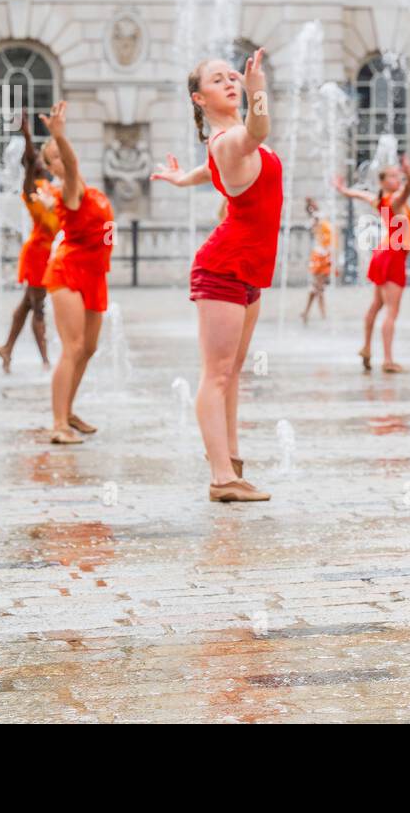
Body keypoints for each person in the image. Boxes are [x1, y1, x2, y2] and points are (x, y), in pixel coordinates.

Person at [152, 49, 280, 503]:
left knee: (233, 372)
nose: (229, 83)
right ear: (199, 98)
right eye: (218, 80)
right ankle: (221, 478)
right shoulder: (235, 139)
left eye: (233, 77)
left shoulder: (232, 144)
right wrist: (256, 86)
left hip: (248, 271)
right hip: (223, 267)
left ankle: (233, 463)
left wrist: (179, 179)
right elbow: (258, 128)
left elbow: (209, 172)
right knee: (217, 373)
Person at [39, 100, 114, 445]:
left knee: (89, 347)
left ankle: (67, 410)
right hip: (68, 272)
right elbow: (70, 163)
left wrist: (59, 139)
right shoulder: (70, 192)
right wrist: (59, 136)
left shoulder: (91, 191)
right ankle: (58, 424)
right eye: (55, 155)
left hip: (94, 276)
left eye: (63, 151)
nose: (63, 157)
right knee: (72, 346)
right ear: (53, 166)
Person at [333, 158, 410, 372]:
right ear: (383, 181)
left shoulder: (379, 199)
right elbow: (409, 189)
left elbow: (357, 194)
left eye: (399, 175)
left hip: (381, 254)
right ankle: (388, 360)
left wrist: (343, 189)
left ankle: (367, 348)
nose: (397, 179)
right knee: (391, 311)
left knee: (377, 306)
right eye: (393, 176)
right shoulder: (395, 201)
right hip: (393, 255)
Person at [0, 117, 58, 372]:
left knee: (26, 305)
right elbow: (32, 159)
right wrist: (27, 134)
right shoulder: (32, 189)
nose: (45, 163)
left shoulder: (49, 188)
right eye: (41, 161)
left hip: (44, 253)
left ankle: (7, 348)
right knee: (38, 307)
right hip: (37, 255)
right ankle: (45, 361)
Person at [301, 197, 333, 323]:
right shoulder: (316, 218)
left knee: (317, 287)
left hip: (324, 254)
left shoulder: (320, 217)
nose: (316, 204)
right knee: (319, 287)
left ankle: (306, 312)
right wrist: (309, 204)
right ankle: (323, 314)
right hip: (320, 255)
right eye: (313, 204)